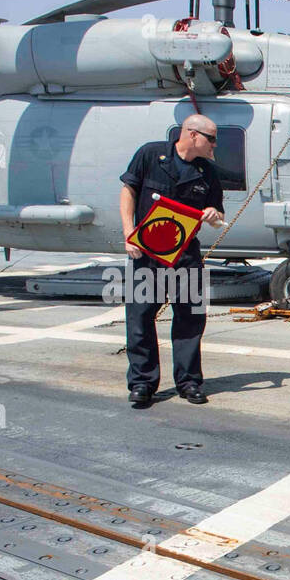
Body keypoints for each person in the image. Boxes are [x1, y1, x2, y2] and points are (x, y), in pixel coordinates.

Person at [118, 114, 225, 407]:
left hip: (186, 256)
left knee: (191, 318)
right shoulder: (150, 155)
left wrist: (215, 216)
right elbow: (128, 191)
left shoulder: (208, 172)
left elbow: (218, 214)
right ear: (192, 135)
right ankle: (142, 383)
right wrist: (129, 233)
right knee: (139, 318)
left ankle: (189, 381)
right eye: (211, 138)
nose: (215, 144)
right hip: (147, 252)